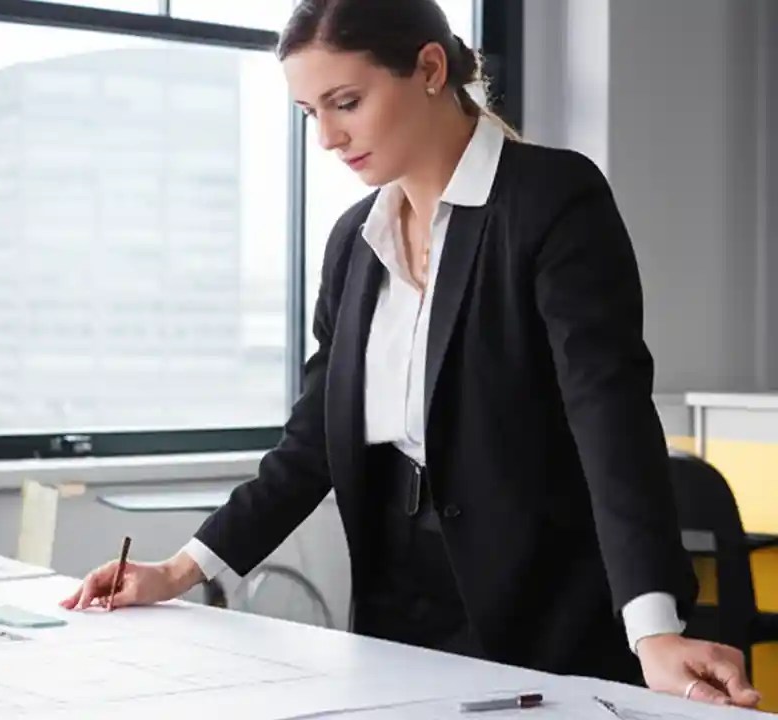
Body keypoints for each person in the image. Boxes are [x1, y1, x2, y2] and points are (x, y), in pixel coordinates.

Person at [61, 0, 762, 707]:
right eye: (309, 113)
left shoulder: (549, 200)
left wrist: (654, 629)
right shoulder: (353, 243)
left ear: (429, 69)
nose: (328, 138)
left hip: (542, 610)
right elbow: (310, 446)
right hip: (396, 608)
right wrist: (178, 571)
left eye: (347, 103)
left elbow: (607, 415)